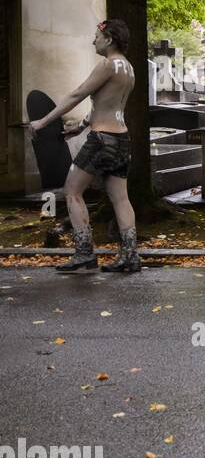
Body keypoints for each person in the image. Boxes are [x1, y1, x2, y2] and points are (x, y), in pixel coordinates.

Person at [30, 19, 141, 273]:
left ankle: (83, 253)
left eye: (97, 36)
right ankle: (130, 255)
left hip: (101, 140)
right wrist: (80, 126)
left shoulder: (107, 65)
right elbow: (108, 104)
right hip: (121, 139)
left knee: (72, 191)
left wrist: (43, 122)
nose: (94, 40)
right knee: (121, 198)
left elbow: (77, 94)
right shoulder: (129, 68)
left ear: (109, 39)